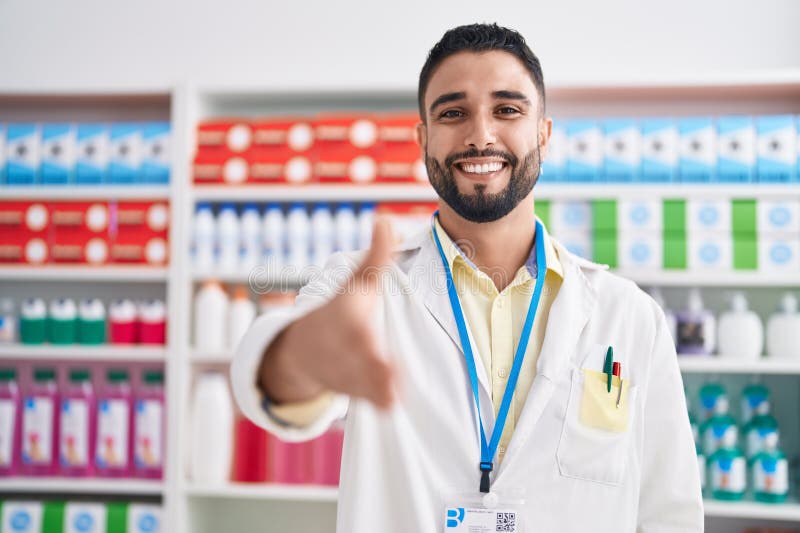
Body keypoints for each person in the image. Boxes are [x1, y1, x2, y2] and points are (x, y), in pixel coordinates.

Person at [231, 23, 703, 532]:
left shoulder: (629, 316)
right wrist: (302, 357)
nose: (480, 134)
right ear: (423, 138)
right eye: (453, 113)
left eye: (507, 110)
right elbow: (268, 383)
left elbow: (669, 512)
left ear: (543, 133)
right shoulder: (362, 288)